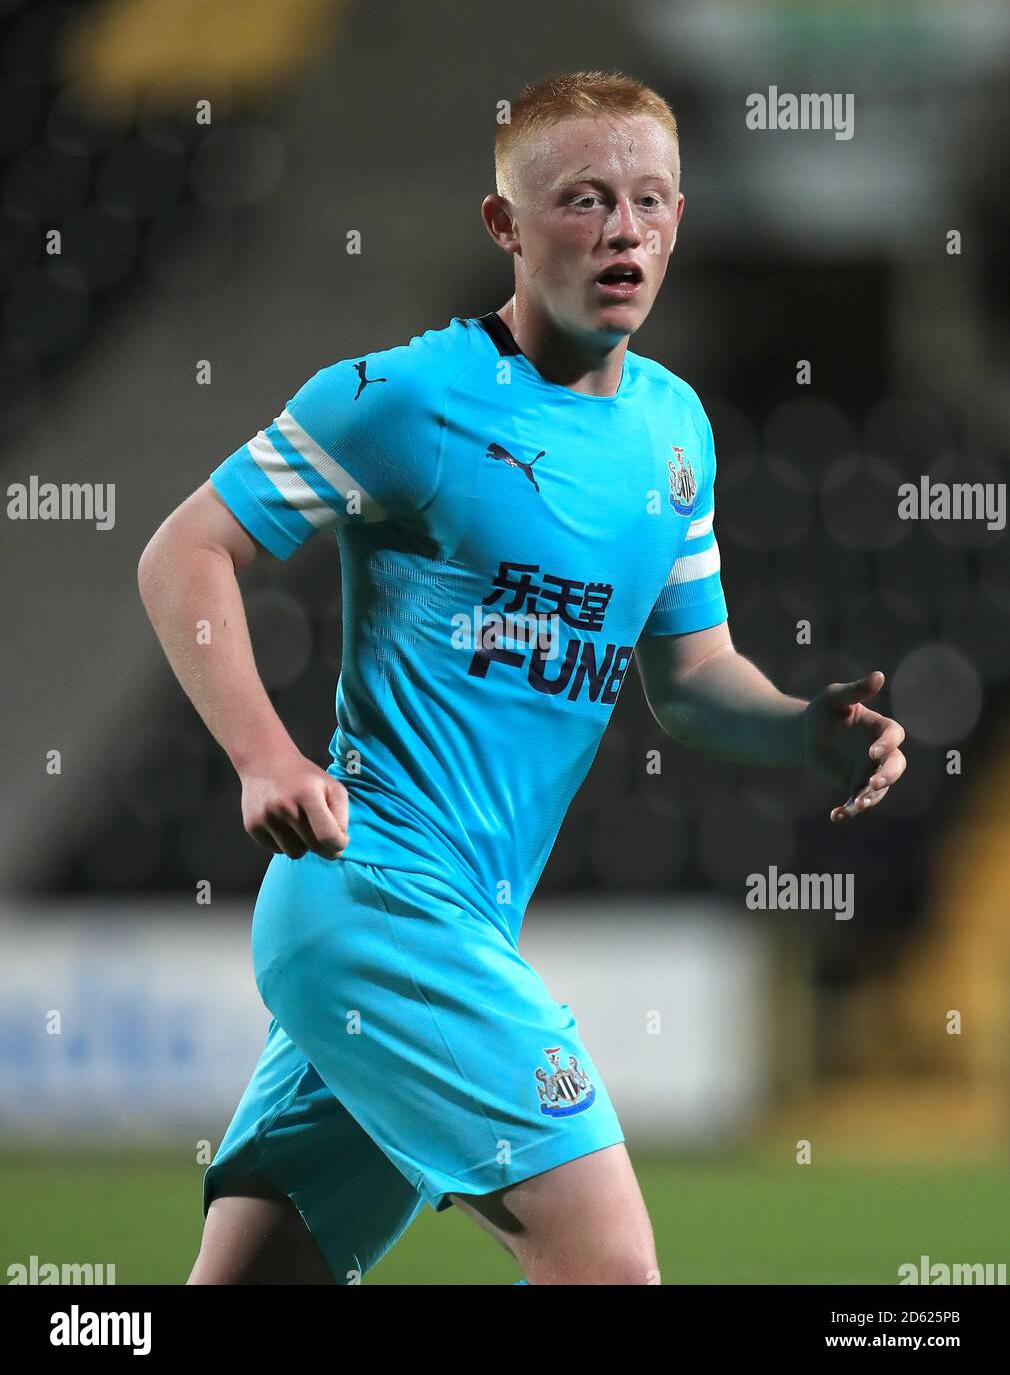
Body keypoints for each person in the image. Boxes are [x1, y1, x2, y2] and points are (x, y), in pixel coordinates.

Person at [138, 69, 907, 1286]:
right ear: (502, 225)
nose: (623, 231)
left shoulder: (673, 433)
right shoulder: (406, 399)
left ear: (679, 219)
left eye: (650, 201)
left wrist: (795, 730)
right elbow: (184, 550)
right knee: (608, 1265)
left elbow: (693, 673)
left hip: (448, 927)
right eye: (584, 199)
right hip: (377, 903)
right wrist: (263, 756)